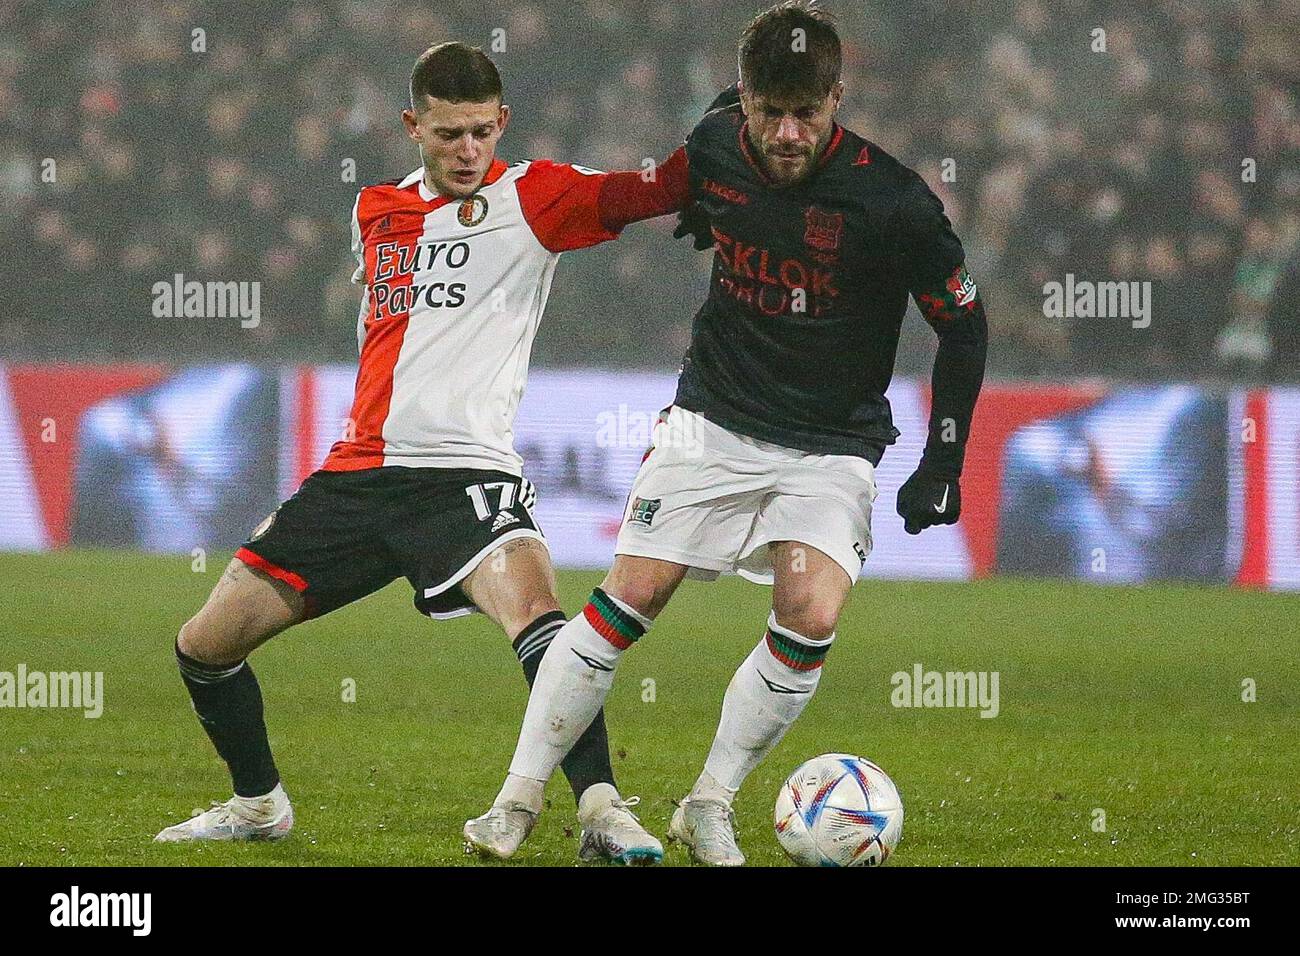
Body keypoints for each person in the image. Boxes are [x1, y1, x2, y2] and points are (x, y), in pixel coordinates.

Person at [465, 0, 989, 865]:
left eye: (806, 114)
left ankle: (708, 802)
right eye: (767, 111)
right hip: (711, 420)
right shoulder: (712, 146)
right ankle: (515, 801)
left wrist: (944, 455)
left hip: (831, 441)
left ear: (836, 100)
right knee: (631, 596)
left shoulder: (894, 203)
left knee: (810, 609)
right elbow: (649, 188)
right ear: (743, 100)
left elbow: (964, 326)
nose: (785, 133)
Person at [155, 41, 689, 865]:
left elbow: (649, 190)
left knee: (542, 622)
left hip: (466, 472)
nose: (468, 151)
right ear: (412, 126)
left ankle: (602, 808)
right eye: (448, 135)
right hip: (359, 475)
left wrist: (733, 136)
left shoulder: (537, 195)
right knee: (203, 644)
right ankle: (258, 805)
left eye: (481, 132)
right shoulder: (376, 211)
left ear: (502, 122)